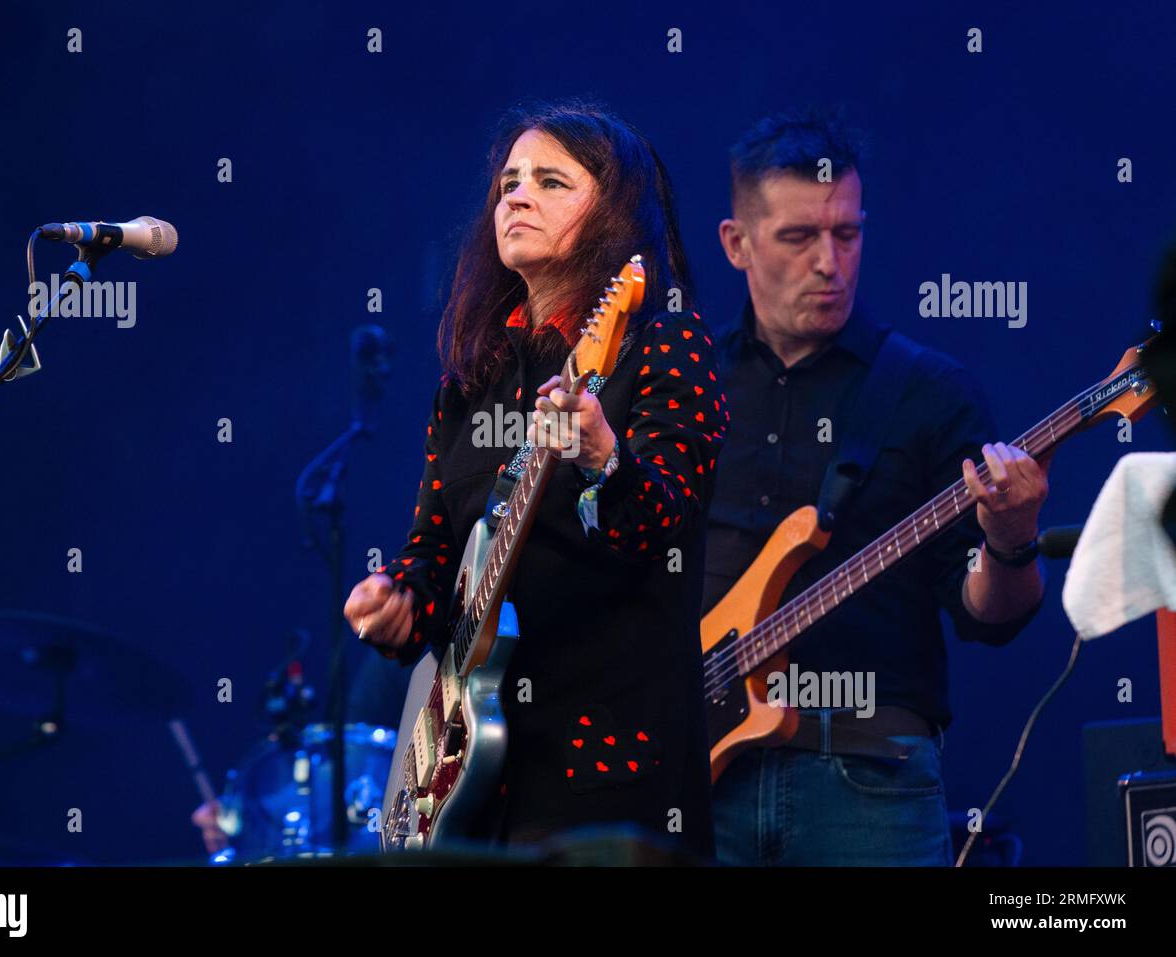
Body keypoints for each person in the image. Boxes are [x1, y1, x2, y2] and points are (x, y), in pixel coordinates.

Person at [342, 102, 728, 859]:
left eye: (551, 181)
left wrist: (602, 458)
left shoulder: (666, 342)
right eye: (509, 181)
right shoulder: (468, 383)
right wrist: (398, 603)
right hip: (467, 790)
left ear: (617, 213)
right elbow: (435, 557)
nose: (515, 195)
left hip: (604, 779)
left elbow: (667, 526)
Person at [706, 110, 1048, 865]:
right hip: (702, 784)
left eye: (847, 234)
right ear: (738, 244)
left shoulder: (929, 390)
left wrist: (1012, 539)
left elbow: (990, 616)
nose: (829, 263)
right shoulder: (690, 380)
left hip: (867, 781)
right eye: (798, 238)